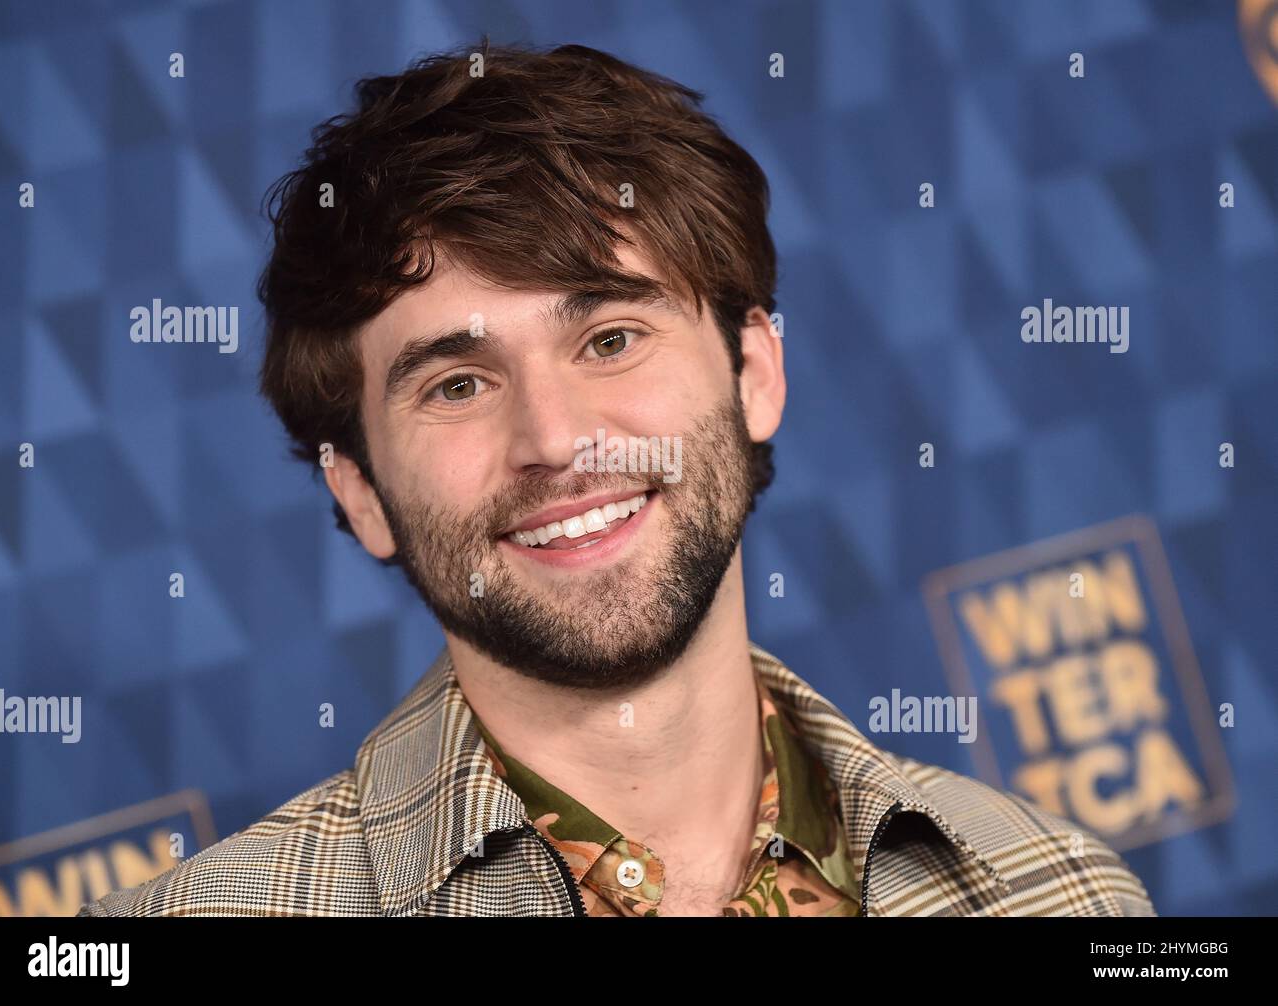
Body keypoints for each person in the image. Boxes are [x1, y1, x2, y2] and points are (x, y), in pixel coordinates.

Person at [79, 41, 1154, 917]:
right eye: (456, 383)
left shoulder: (1058, 893)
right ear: (359, 489)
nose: (555, 439)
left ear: (754, 374)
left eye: (609, 339)